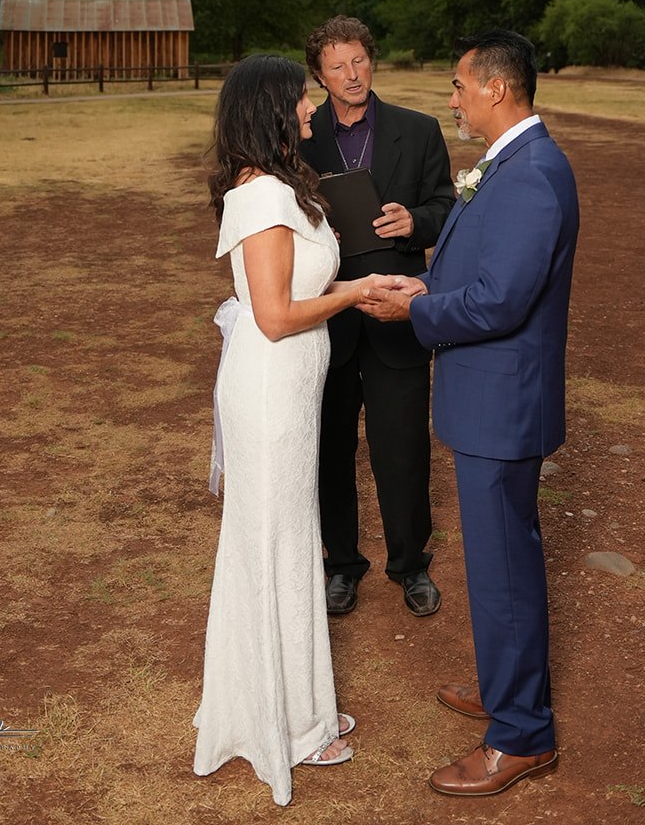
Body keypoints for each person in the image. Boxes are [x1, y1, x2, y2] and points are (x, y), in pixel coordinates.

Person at [361, 29, 579, 798]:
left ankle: (521, 735)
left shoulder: (530, 175)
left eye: (458, 86)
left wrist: (414, 313)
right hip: (486, 396)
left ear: (496, 89)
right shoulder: (510, 164)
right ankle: (504, 685)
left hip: (502, 404)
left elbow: (501, 301)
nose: (450, 100)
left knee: (503, 570)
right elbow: (481, 274)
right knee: (495, 566)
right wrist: (425, 287)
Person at [193, 54, 386, 808]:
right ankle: (283, 721)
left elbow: (297, 290)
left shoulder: (279, 186)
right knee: (272, 544)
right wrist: (355, 295)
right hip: (270, 391)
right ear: (271, 110)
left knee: (286, 540)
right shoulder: (261, 194)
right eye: (301, 103)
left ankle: (295, 706)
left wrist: (362, 287)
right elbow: (275, 317)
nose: (311, 112)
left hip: (291, 386)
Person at [301, 17, 454, 618]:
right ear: (319, 75)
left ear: (373, 61)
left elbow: (448, 205)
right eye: (337, 67)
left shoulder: (419, 131)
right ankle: (341, 565)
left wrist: (416, 221)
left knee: (404, 448)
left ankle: (410, 565)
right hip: (328, 316)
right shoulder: (302, 137)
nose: (352, 74)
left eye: (359, 61)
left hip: (396, 315)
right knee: (330, 450)